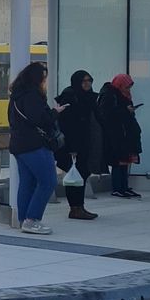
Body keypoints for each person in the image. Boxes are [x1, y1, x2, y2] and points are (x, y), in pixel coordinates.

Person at [7, 62, 66, 235]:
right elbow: (40, 119)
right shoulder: (32, 95)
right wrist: (55, 112)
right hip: (34, 145)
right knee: (48, 181)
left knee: (27, 182)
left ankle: (23, 220)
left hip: (19, 145)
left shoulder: (16, 96)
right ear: (37, 79)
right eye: (44, 78)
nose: (45, 82)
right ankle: (32, 220)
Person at [54, 70, 102, 220]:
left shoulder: (88, 97)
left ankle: (79, 206)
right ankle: (75, 208)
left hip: (85, 143)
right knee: (75, 175)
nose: (87, 83)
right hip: (72, 146)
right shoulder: (70, 96)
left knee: (82, 174)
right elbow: (67, 124)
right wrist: (72, 148)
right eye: (84, 81)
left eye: (90, 80)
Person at [98, 73, 143, 198]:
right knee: (119, 161)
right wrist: (125, 111)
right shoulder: (109, 94)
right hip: (116, 134)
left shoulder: (124, 95)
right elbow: (106, 113)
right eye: (126, 86)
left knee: (126, 160)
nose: (128, 89)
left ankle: (124, 187)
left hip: (126, 133)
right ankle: (117, 187)